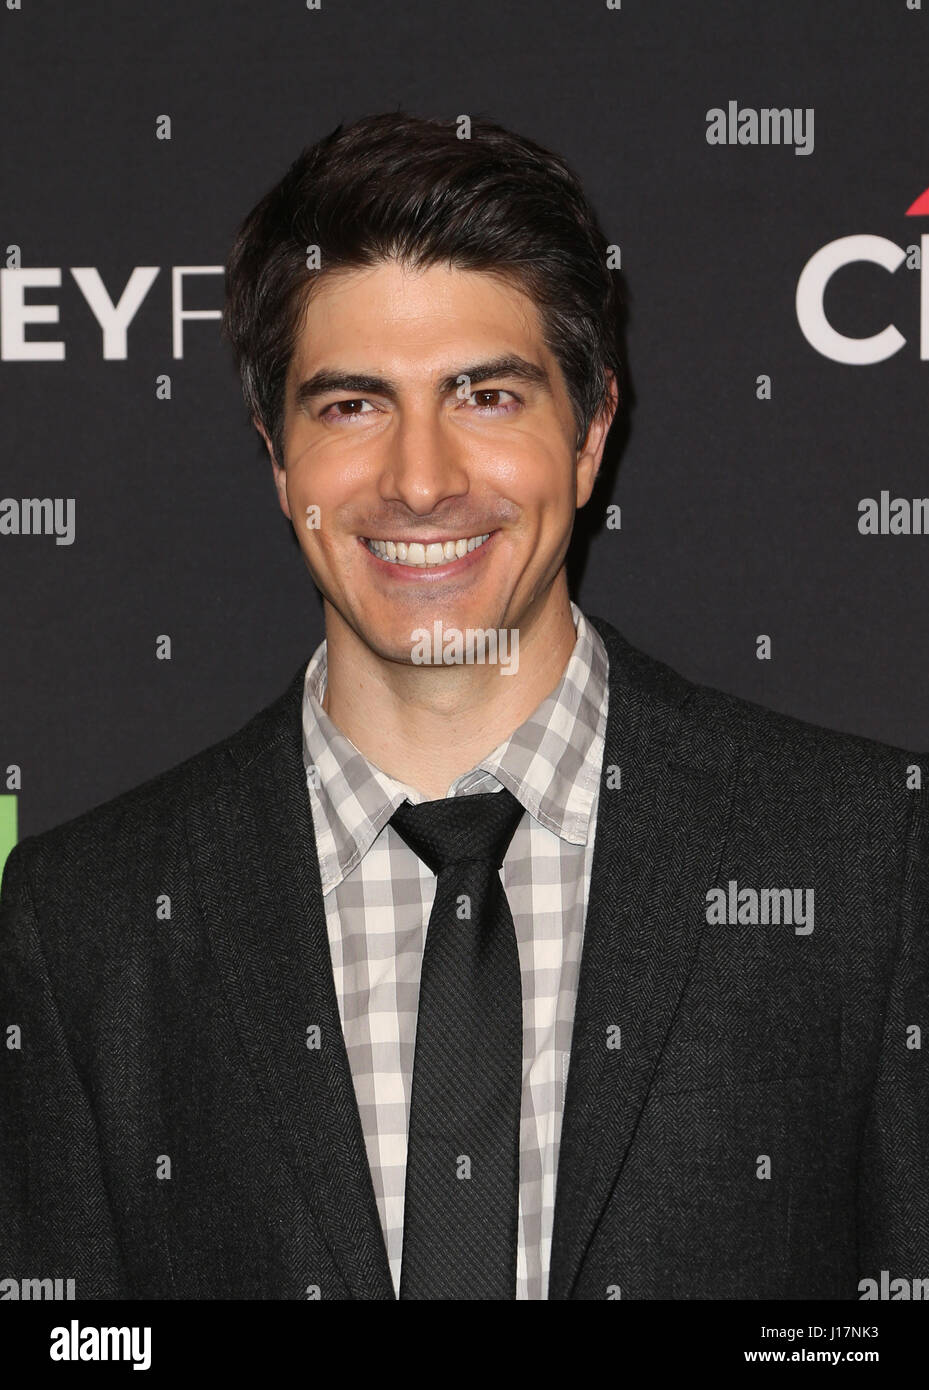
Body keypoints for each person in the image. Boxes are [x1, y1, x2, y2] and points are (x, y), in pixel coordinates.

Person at [1, 112, 926, 1302]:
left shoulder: (864, 861)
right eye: (351, 405)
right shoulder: (87, 924)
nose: (421, 479)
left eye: (484, 396)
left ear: (589, 434)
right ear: (277, 459)